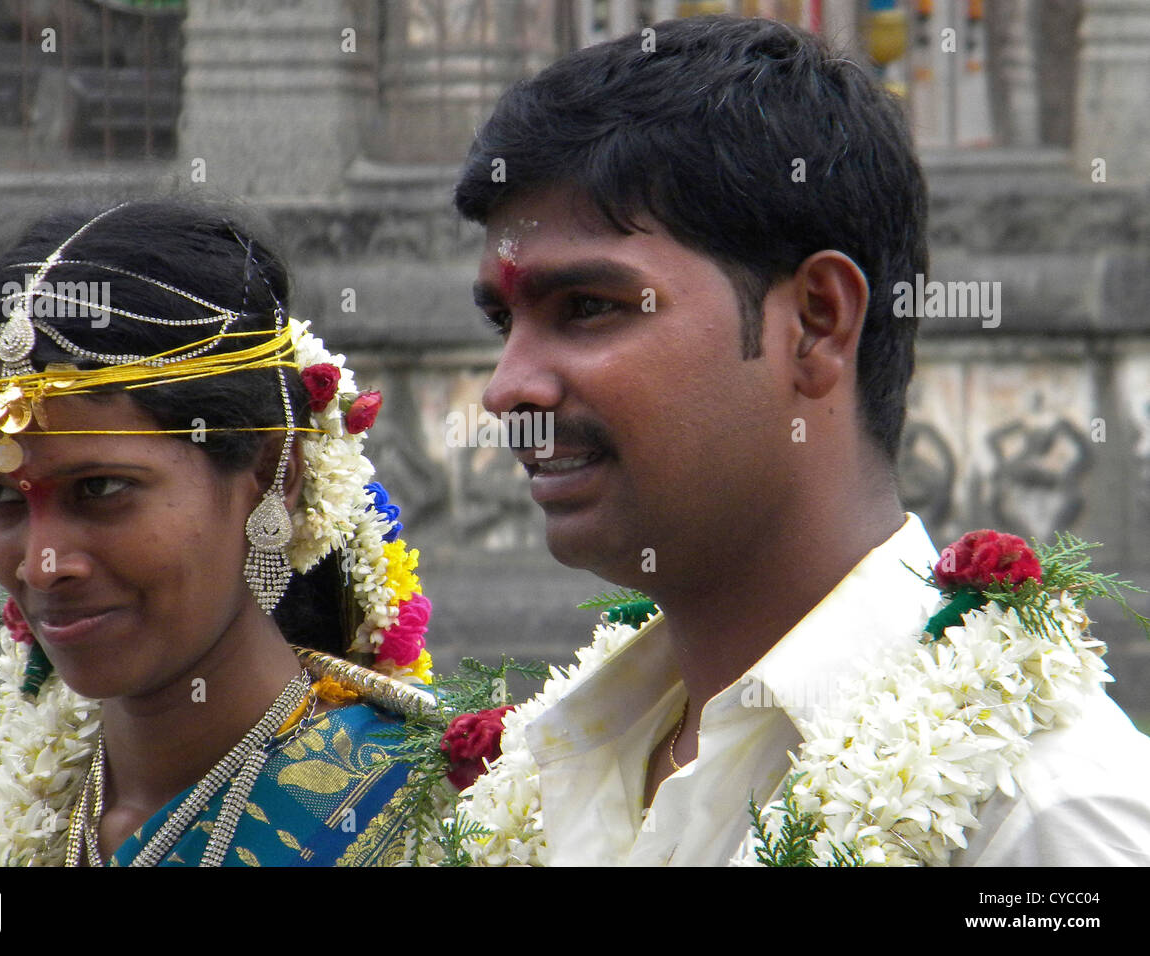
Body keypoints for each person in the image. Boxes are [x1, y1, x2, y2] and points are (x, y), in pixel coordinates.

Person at [446, 15, 1150, 865]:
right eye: (503, 323)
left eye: (588, 307)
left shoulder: (1041, 820)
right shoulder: (561, 768)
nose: (507, 386)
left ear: (817, 323)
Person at [0, 199, 434, 867]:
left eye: (101, 490)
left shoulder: (419, 814)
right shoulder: (16, 809)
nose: (41, 563)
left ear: (271, 474)